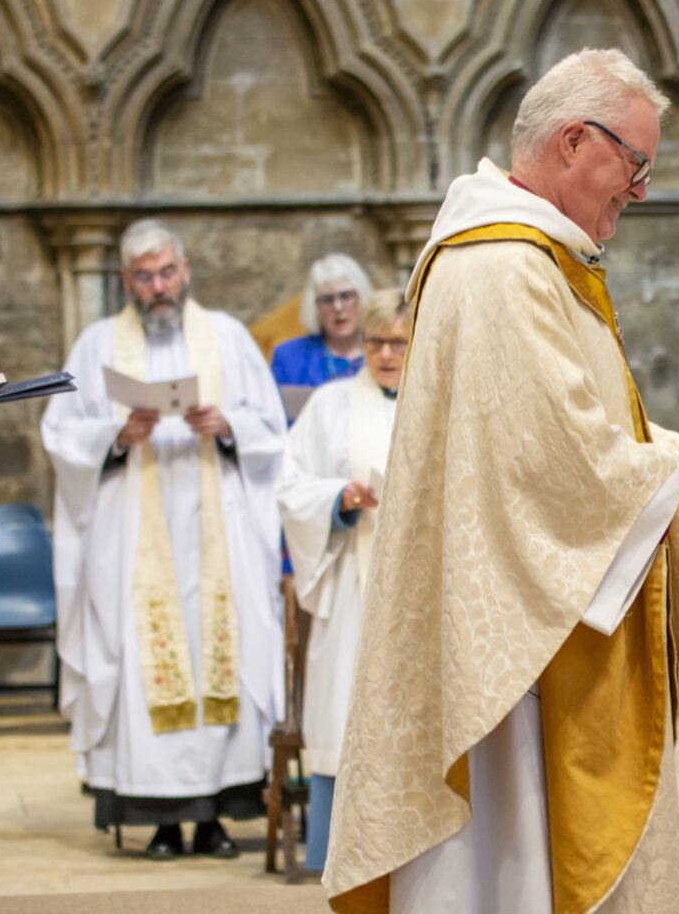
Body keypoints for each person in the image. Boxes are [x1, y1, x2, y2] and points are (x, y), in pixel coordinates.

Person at [324, 48, 679, 914]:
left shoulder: (525, 256)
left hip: (521, 620)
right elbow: (551, 461)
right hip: (511, 658)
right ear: (571, 141)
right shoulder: (504, 266)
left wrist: (673, 451)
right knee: (510, 866)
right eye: (635, 165)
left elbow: (564, 424)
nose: (639, 191)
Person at [40, 219, 286, 860]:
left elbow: (273, 429)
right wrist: (115, 437)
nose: (157, 287)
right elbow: (62, 435)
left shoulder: (229, 339)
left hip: (218, 538)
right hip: (132, 538)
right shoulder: (96, 345)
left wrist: (227, 423)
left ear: (184, 272)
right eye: (144, 277)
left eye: (166, 273)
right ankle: (162, 821)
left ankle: (215, 818)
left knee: (220, 655)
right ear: (126, 281)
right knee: (141, 660)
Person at [274, 289, 408, 873]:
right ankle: (333, 855)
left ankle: (409, 854)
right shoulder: (329, 404)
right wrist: (342, 498)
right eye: (375, 341)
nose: (384, 353)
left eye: (397, 342)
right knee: (344, 710)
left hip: (418, 588)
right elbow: (291, 485)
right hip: (352, 581)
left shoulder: (442, 399)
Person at [269, 254, 373, 393]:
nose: (338, 307)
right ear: (314, 306)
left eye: (346, 296)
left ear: (361, 297)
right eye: (327, 300)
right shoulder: (288, 357)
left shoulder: (387, 351)